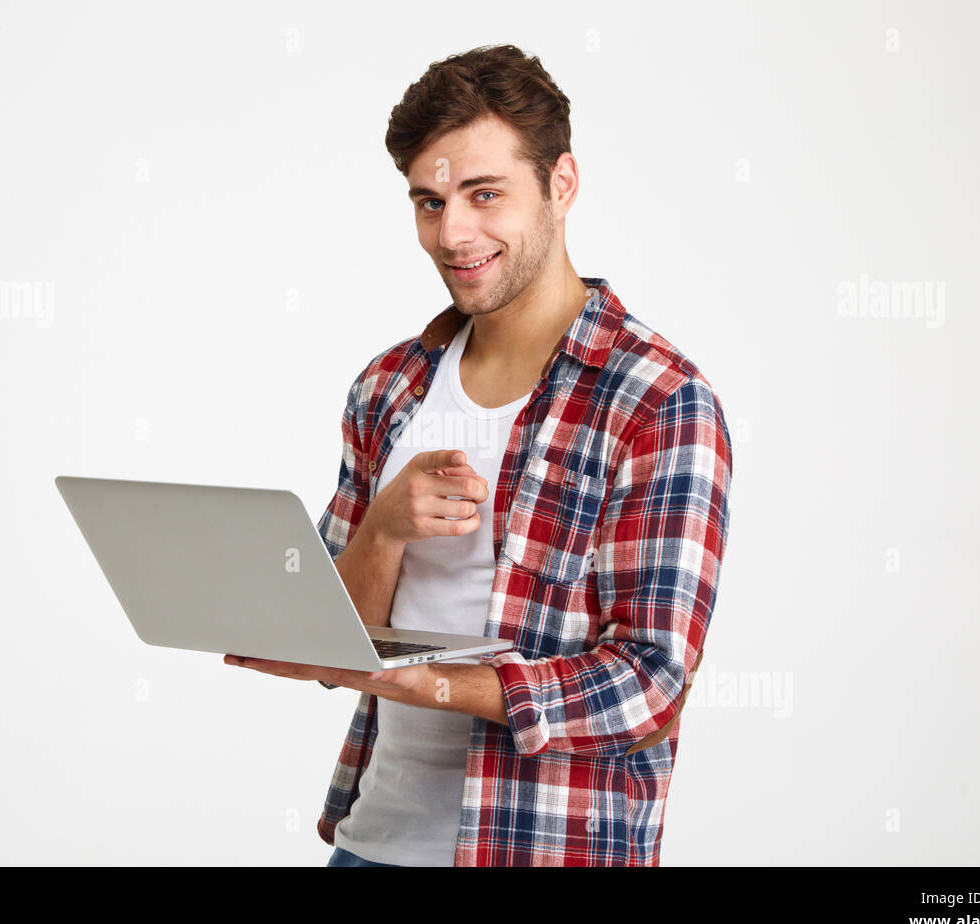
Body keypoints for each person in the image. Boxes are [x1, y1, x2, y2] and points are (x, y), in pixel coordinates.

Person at [223, 43, 733, 866]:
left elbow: (651, 684)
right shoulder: (389, 389)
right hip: (371, 845)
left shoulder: (657, 399)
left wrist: (427, 684)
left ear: (561, 185)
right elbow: (329, 641)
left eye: (483, 194)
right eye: (429, 201)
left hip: (546, 849)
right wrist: (383, 531)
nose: (452, 233)